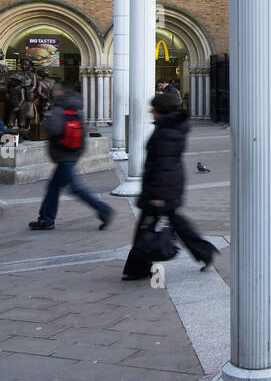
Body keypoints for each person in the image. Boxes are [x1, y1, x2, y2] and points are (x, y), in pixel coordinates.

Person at [122, 91, 217, 280]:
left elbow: (164, 164)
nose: (150, 110)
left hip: (161, 188)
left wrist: (158, 195)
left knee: (145, 229)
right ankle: (204, 252)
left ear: (160, 110)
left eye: (153, 107)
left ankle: (138, 267)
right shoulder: (171, 127)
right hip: (167, 185)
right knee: (176, 223)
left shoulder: (166, 131)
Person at [29, 83, 113, 232]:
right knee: (53, 188)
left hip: (63, 155)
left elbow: (53, 129)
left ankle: (103, 210)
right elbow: (83, 132)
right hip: (72, 153)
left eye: (55, 90)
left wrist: (48, 117)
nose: (53, 92)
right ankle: (45, 219)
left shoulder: (58, 108)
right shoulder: (76, 108)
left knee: (75, 188)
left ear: (60, 92)